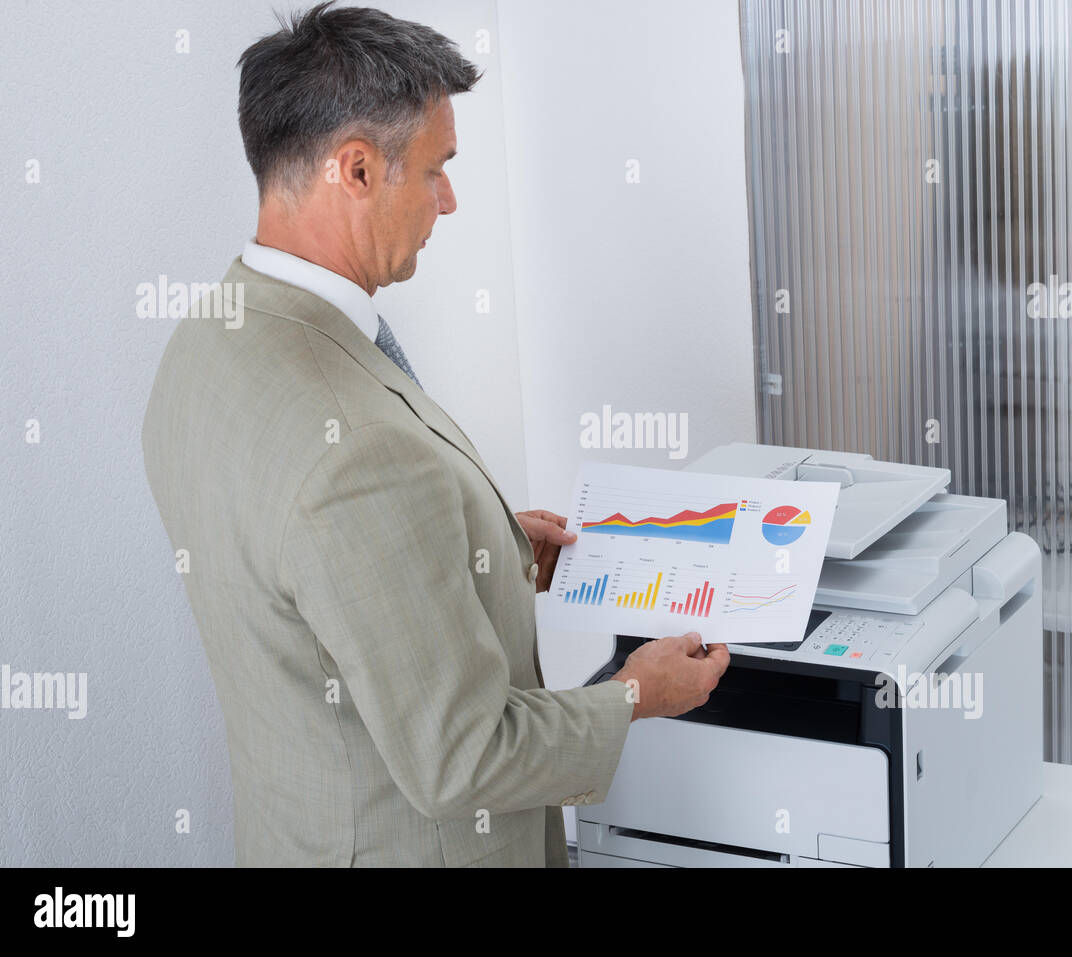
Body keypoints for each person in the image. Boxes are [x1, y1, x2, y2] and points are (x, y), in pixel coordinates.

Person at [140, 1, 729, 867]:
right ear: (356, 169)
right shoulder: (357, 453)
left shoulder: (205, 344)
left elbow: (309, 581)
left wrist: (480, 544)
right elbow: (463, 755)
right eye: (436, 169)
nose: (449, 201)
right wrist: (636, 692)